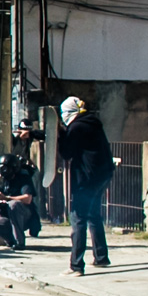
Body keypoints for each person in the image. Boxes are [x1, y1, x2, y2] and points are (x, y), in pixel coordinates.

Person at [58, 95, 115, 275]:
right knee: (93, 215)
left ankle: (76, 265)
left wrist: (59, 135)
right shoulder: (91, 123)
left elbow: (66, 153)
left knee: (78, 218)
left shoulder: (76, 127)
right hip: (102, 175)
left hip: (87, 179)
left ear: (70, 113)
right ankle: (101, 257)